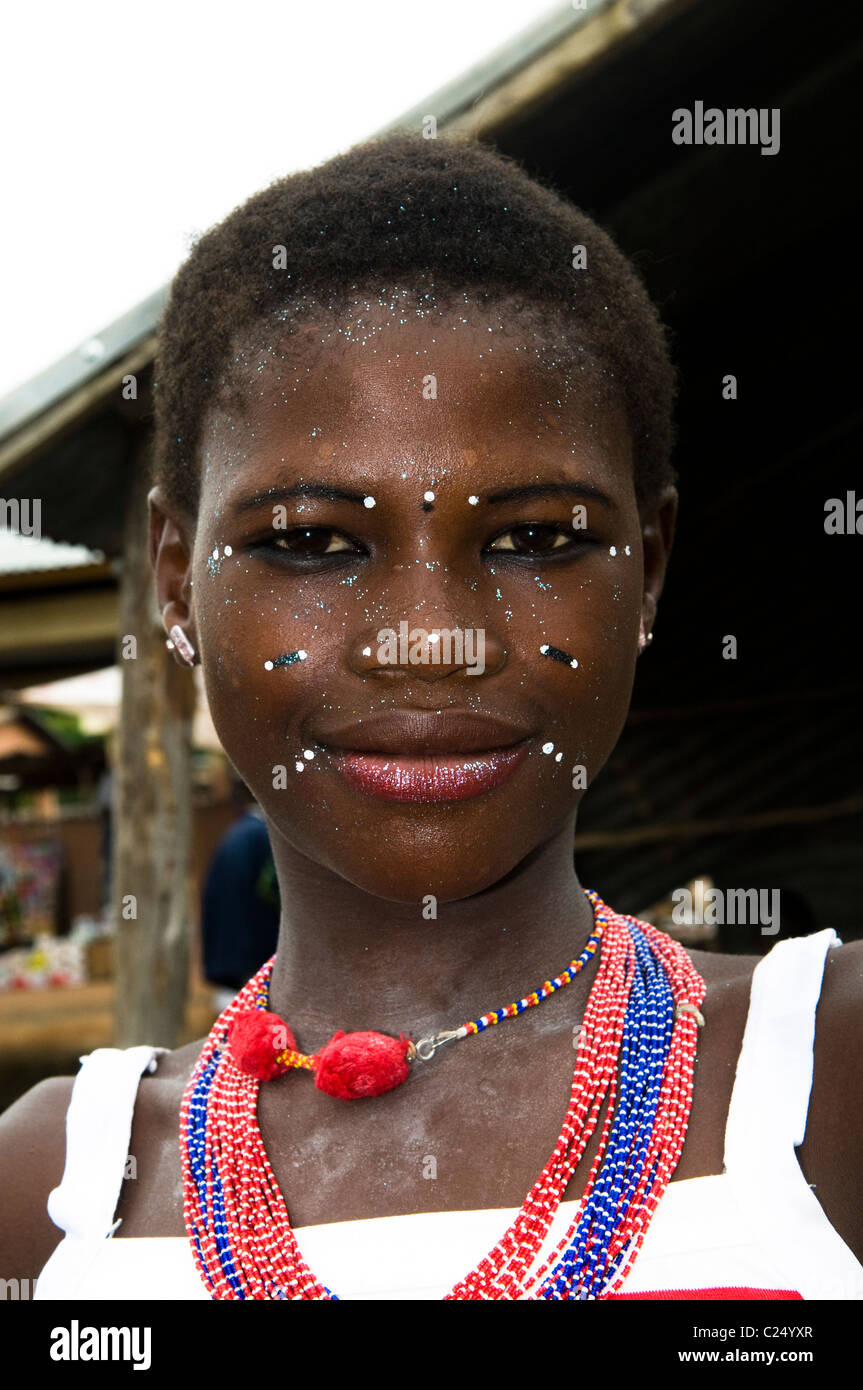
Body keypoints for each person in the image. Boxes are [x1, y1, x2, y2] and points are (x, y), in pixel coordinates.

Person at [1, 133, 861, 1301]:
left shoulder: (824, 1072)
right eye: (311, 541)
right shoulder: (58, 1184)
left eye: (535, 537)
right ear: (172, 579)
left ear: (647, 569)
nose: (430, 637)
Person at [201, 785, 280, 1008]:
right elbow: (274, 890)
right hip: (250, 952)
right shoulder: (261, 835)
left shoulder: (237, 832)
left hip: (228, 952)